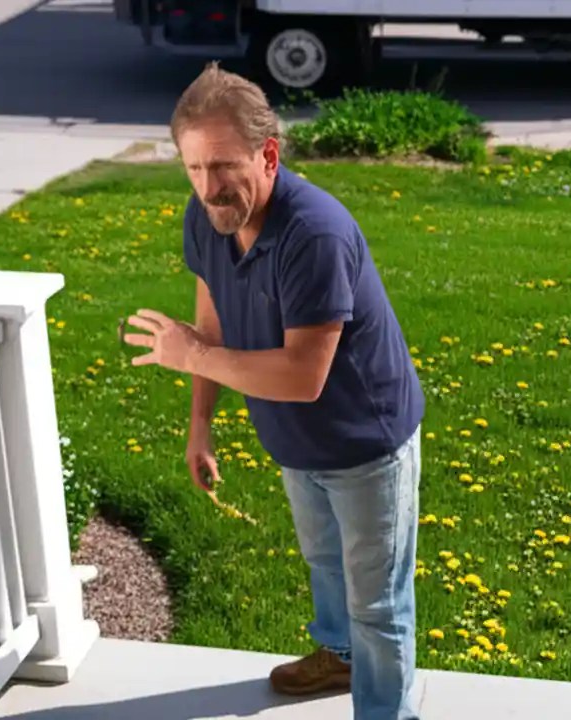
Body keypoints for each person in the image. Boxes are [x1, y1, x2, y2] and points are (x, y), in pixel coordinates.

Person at [121, 62, 426, 720]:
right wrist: (200, 424)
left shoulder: (313, 232)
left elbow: (301, 375)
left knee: (378, 606)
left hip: (364, 441)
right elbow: (211, 318)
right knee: (324, 559)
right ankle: (337, 657)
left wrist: (194, 356)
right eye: (194, 168)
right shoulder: (209, 217)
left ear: (268, 154)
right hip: (296, 440)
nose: (209, 187)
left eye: (224, 166)